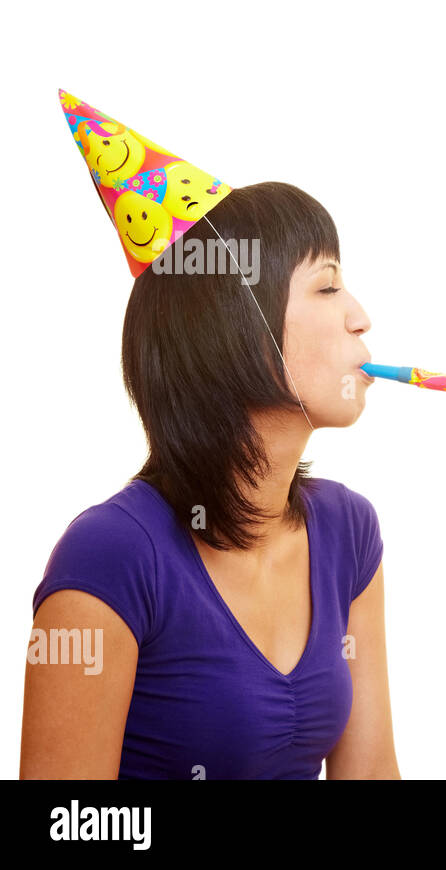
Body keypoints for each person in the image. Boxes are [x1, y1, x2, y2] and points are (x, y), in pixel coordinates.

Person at [22, 180, 399, 779]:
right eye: (327, 286)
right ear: (237, 330)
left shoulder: (349, 533)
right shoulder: (112, 554)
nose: (360, 317)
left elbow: (372, 774)